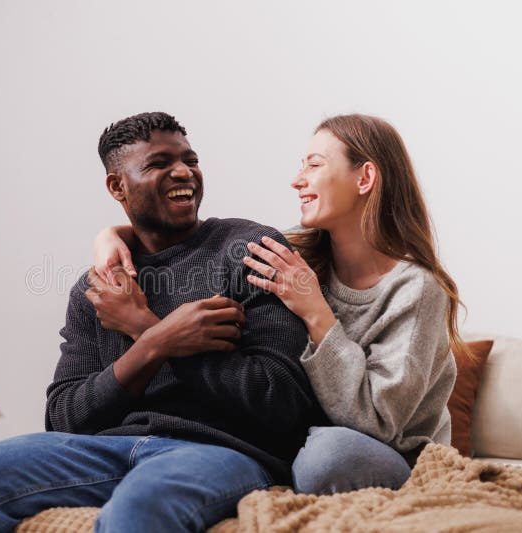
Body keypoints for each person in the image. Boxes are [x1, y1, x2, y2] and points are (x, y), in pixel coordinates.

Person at [0, 112, 324, 533]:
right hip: (104, 449)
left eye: (190, 161)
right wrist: (155, 342)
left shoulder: (247, 250)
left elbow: (281, 402)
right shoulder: (99, 287)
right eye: (159, 164)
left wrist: (142, 325)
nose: (184, 173)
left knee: (142, 505)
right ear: (117, 186)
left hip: (217, 451)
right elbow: (64, 418)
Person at [92, 113, 463, 495]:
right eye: (301, 166)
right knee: (307, 452)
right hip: (309, 444)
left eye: (314, 165)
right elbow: (199, 236)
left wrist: (315, 310)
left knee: (327, 455)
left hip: (392, 455)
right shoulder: (294, 257)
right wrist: (113, 235)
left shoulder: (416, 288)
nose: (297, 180)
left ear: (364, 178)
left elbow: (377, 422)